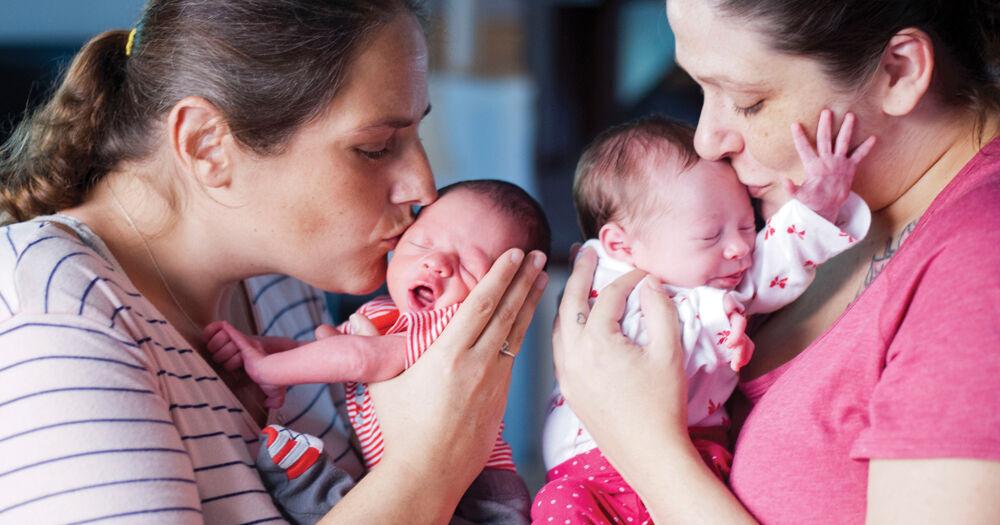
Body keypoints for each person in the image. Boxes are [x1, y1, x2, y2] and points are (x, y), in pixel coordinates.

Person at [0, 1, 548, 523]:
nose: (424, 189)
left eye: (416, 133)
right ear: (207, 145)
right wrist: (433, 467)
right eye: (376, 147)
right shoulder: (56, 320)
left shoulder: (276, 284)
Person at [551, 0, 1000, 523]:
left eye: (746, 101)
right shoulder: (810, 210)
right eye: (699, 89)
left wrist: (640, 443)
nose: (704, 140)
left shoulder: (979, 267)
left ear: (898, 71)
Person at [534, 114, 871, 523]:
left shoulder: (716, 283)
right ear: (620, 243)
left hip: (691, 460)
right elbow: (647, 350)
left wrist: (816, 207)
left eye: (748, 225)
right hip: (590, 474)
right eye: (710, 235)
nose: (738, 249)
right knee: (553, 504)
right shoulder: (604, 280)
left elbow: (775, 259)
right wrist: (721, 317)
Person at [205, 179, 552, 524]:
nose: (436, 263)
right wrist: (266, 348)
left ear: (502, 293)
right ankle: (310, 480)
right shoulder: (386, 317)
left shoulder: (449, 333)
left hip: (479, 498)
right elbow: (328, 354)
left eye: (467, 264)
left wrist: (265, 369)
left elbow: (359, 359)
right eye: (422, 242)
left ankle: (308, 478)